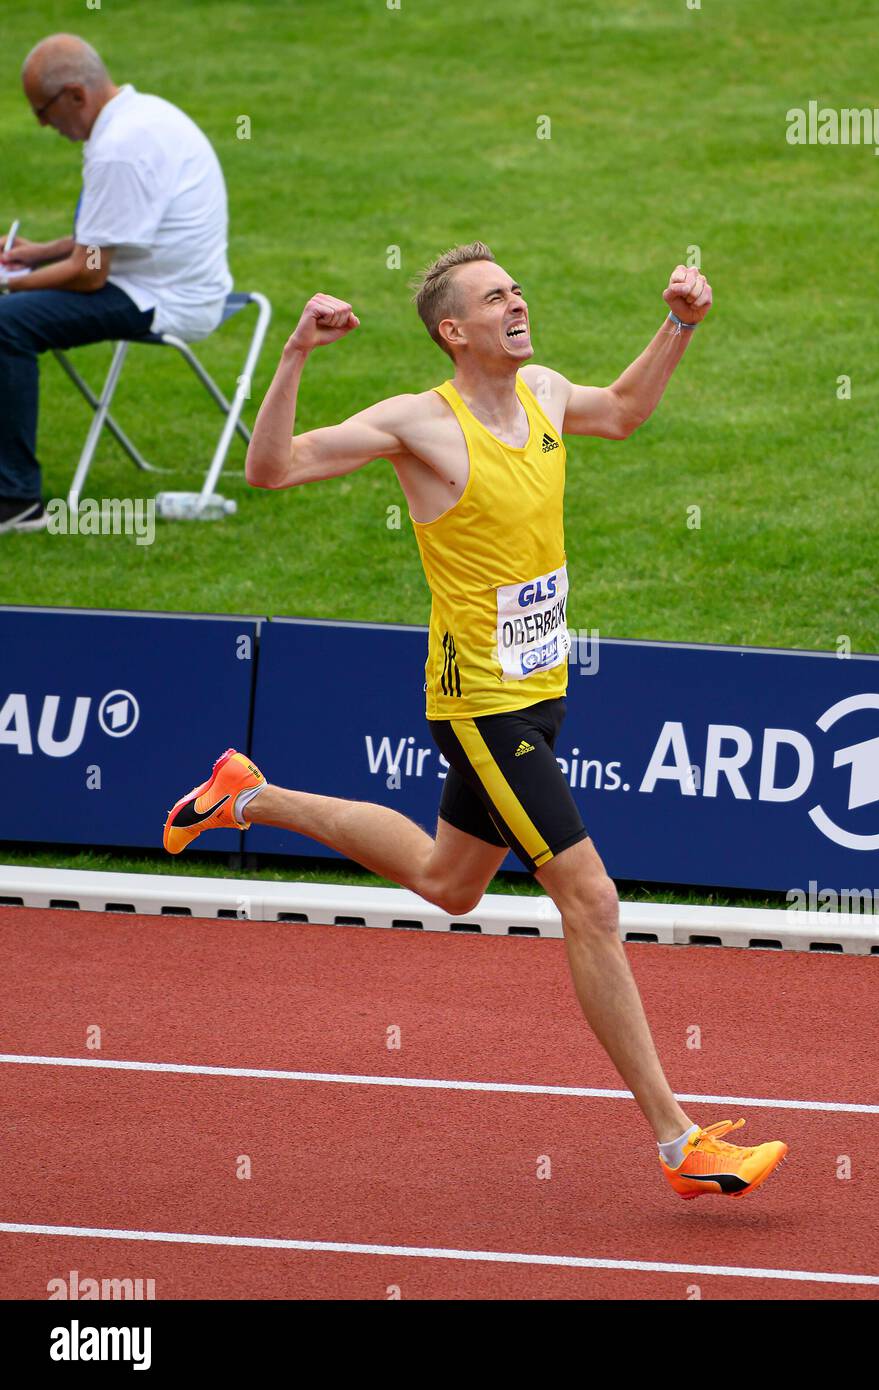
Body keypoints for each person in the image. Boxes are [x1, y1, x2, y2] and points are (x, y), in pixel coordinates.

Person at [163, 243, 789, 1200]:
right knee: (590, 900)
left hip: (541, 689)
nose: (517, 302)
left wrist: (681, 323)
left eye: (518, 289)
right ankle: (677, 1141)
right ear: (453, 330)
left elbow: (620, 412)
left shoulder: (540, 391)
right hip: (481, 704)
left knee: (446, 882)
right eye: (495, 297)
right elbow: (272, 471)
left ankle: (249, 796)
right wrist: (293, 353)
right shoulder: (419, 424)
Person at [0, 33, 232, 534]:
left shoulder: (118, 147)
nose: (41, 123)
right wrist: (33, 256)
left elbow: (89, 272)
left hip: (162, 298)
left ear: (75, 96)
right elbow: (110, 233)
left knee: (7, 325)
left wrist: (10, 286)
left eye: (42, 109)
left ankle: (15, 500)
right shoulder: (142, 114)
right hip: (170, 281)